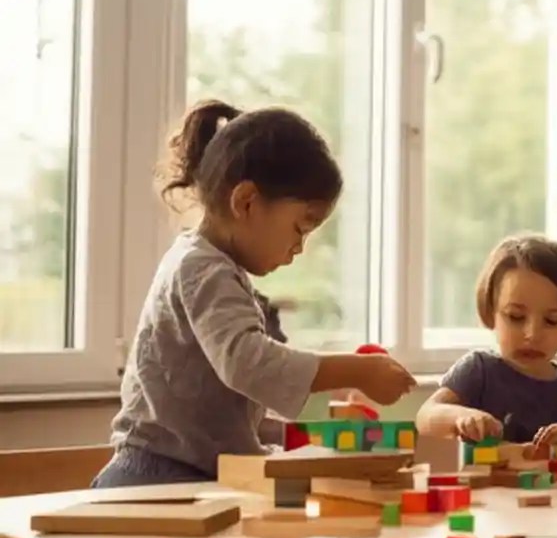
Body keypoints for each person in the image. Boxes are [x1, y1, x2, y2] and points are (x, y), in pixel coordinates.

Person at [94, 100, 416, 488]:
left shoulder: (213, 269)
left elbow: (227, 414)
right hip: (156, 477)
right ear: (246, 201)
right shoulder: (202, 269)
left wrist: (317, 432)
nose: (299, 248)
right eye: (300, 229)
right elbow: (247, 364)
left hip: (185, 472)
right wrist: (356, 370)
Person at [416, 235, 557, 471]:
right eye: (516, 317)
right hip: (487, 493)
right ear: (490, 312)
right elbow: (425, 416)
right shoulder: (479, 370)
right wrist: (460, 417)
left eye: (552, 320)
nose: (532, 334)